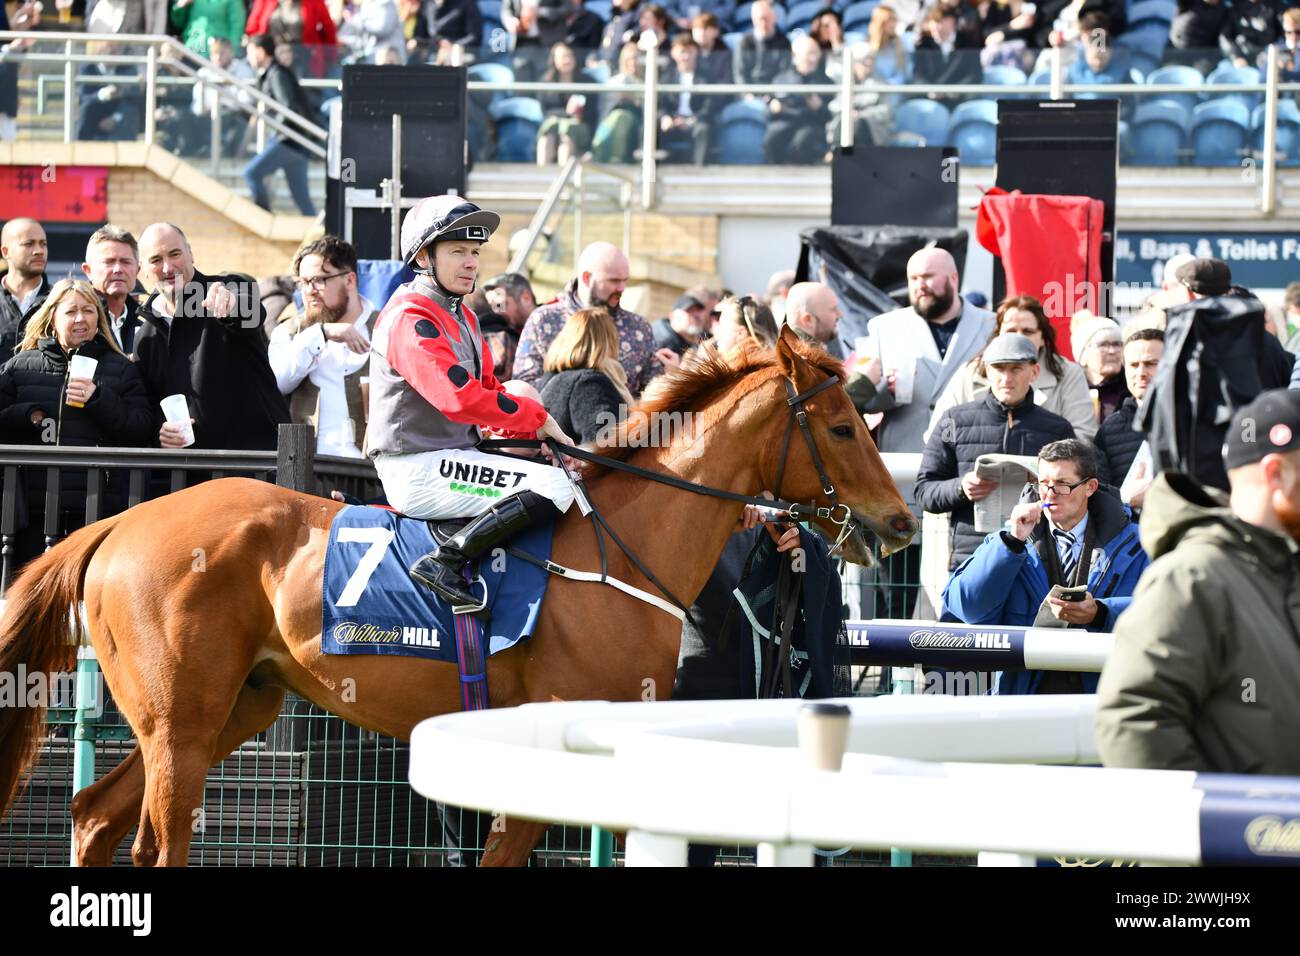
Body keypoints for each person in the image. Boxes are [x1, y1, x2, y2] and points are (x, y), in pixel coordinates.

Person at [366, 194, 577, 608]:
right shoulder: (409, 318)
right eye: (458, 251)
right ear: (424, 257)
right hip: (414, 467)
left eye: (476, 252)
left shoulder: (465, 316)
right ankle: (444, 562)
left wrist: (543, 436)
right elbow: (459, 399)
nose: (471, 263)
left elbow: (490, 390)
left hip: (452, 455)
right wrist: (539, 419)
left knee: (557, 476)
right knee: (555, 488)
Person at [1095, 389, 1300, 775]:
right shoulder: (1192, 578)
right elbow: (1135, 722)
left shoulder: (1283, 570)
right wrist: (1226, 824)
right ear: (1277, 473)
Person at [849, 247, 995, 616]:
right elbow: (858, 400)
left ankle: (950, 674)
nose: (920, 286)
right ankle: (891, 676)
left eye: (928, 277)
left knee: (966, 596)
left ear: (954, 279)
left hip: (969, 485)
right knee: (897, 600)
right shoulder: (884, 327)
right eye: (914, 279)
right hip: (903, 488)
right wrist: (882, 389)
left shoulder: (991, 326)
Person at [944, 437, 1148, 694]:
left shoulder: (1136, 542)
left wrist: (1101, 613)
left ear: (1090, 487)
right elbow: (967, 607)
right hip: (1024, 698)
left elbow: (1164, 610)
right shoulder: (1012, 539)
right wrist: (1010, 542)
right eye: (1044, 484)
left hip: (1105, 698)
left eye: (1062, 485)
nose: (1050, 494)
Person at [0, 278, 155, 565]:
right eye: (71, 311)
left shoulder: (121, 368)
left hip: (97, 509)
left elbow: (142, 427)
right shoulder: (20, 366)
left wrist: (98, 399)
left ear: (99, 318)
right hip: (34, 511)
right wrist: (25, 415)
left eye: (89, 310)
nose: (81, 318)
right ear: (52, 318)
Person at [915, 332, 1077, 570]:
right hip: (971, 557)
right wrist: (962, 487)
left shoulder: (1057, 428)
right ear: (987, 372)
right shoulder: (954, 420)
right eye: (999, 369)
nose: (1006, 378)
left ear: (1034, 372)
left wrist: (1045, 490)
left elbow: (1076, 493)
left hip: (1035, 559)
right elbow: (923, 491)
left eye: (1015, 369)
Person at [134, 222, 289, 451]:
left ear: (191, 254)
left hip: (255, 463)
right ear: (143, 269)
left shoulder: (227, 288)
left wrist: (231, 305)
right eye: (156, 260)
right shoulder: (145, 337)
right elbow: (149, 406)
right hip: (191, 473)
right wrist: (162, 431)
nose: (167, 267)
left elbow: (254, 312)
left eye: (175, 254)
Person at [926, 295, 1095, 442]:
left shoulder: (1068, 374)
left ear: (1043, 338)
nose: (1018, 338)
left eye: (1027, 331)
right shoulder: (971, 372)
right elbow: (938, 434)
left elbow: (1083, 436)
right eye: (1011, 331)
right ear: (998, 334)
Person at [269, 236, 376, 458]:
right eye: (303, 282)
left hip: (371, 472)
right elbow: (277, 382)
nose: (309, 290)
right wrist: (321, 334)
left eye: (319, 280)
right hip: (308, 470)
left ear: (350, 280)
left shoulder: (385, 327)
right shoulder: (289, 332)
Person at [512, 241, 661, 392]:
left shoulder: (638, 327)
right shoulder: (544, 320)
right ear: (587, 278)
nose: (622, 288)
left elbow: (653, 389)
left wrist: (673, 375)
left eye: (625, 280)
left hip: (623, 415)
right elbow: (524, 384)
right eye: (614, 280)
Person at [243, 34, 317, 216]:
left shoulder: (277, 74)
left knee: (251, 173)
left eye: (250, 53)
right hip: (296, 143)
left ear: (260, 52)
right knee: (302, 198)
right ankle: (320, 238)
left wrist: (276, 135)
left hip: (289, 140)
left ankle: (264, 218)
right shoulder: (273, 73)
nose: (248, 58)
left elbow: (288, 107)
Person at [538, 307, 635, 445]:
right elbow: (606, 448)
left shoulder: (548, 381)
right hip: (572, 465)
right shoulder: (591, 384)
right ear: (609, 342)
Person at [1094, 328, 1162, 504]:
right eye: (1133, 365)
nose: (1141, 372)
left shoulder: (1195, 422)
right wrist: (1125, 499)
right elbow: (1098, 496)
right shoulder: (1109, 429)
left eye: (1151, 363)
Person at [764, 36, 833, 165]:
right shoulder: (781, 79)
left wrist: (819, 107)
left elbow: (831, 116)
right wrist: (773, 106)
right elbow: (768, 110)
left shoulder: (826, 83)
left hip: (811, 124)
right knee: (771, 139)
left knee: (803, 141)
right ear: (795, 56)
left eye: (814, 54)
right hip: (785, 120)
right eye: (808, 54)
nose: (811, 59)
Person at [80, 224, 144, 355]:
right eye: (108, 262)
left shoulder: (146, 330)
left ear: (137, 270)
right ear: (88, 270)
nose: (118, 269)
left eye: (126, 262)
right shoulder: (77, 323)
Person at [659, 34, 720, 166]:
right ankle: (650, 175)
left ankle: (700, 173)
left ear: (697, 53)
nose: (686, 56)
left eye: (690, 52)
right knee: (652, 129)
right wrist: (665, 117)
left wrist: (691, 120)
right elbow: (660, 103)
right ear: (673, 53)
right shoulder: (667, 76)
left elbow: (710, 105)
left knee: (703, 130)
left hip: (695, 121)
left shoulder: (708, 76)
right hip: (673, 121)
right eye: (682, 52)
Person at [535, 42, 597, 165]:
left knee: (567, 134)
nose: (568, 60)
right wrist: (566, 112)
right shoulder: (546, 83)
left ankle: (563, 177)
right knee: (546, 137)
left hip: (580, 128)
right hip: (554, 126)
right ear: (554, 60)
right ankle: (542, 176)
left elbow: (593, 112)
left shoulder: (587, 82)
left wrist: (577, 114)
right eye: (563, 57)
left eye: (570, 56)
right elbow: (545, 112)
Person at [246, 0, 340, 78]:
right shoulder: (264, 1)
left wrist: (330, 58)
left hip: (306, 61)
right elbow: (253, 29)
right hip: (273, 61)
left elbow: (328, 29)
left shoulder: (313, 1)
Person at [0, 217, 50, 362]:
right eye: (29, 244)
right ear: (5, 251)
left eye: (43, 244)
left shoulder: (60, 301)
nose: (39, 251)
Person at [1070, 311, 1128, 426]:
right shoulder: (1069, 388)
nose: (1112, 351)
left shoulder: (1130, 389)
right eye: (1103, 345)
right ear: (1083, 354)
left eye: (1117, 344)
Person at [591, 40, 642, 163]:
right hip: (612, 119)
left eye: (635, 58)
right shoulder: (615, 81)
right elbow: (604, 108)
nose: (632, 63)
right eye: (628, 59)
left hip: (639, 121)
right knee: (618, 117)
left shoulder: (648, 81)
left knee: (621, 117)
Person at [912, 3, 982, 94]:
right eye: (932, 21)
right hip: (932, 100)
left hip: (962, 97)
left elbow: (975, 75)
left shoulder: (968, 42)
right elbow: (918, 76)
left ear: (952, 21)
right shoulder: (923, 44)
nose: (934, 26)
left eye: (938, 21)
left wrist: (955, 91)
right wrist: (931, 91)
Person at [481, 272, 537, 381]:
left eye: (500, 305)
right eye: (491, 308)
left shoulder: (555, 324)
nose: (496, 314)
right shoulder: (501, 335)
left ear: (526, 298)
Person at [734, 0, 792, 88]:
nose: (764, 23)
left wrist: (774, 96)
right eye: (761, 18)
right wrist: (749, 94)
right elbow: (740, 74)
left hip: (776, 94)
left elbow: (784, 73)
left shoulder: (784, 42)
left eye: (767, 18)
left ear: (774, 17)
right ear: (753, 19)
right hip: (750, 95)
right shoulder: (745, 42)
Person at [784, 280, 844, 357]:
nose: (840, 314)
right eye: (833, 309)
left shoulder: (802, 357)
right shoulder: (807, 362)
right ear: (808, 320)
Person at [171, 0, 248, 57]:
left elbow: (237, 25)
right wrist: (180, 6)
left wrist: (231, 50)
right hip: (192, 46)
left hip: (217, 52)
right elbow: (178, 23)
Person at [653, 289, 717, 357]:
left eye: (699, 310)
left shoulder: (699, 338)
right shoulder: (661, 342)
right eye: (689, 310)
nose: (696, 315)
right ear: (672, 316)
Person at [692, 12, 733, 85]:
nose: (701, 32)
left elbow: (727, 81)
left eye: (706, 28)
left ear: (716, 31)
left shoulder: (725, 54)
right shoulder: (688, 52)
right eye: (697, 28)